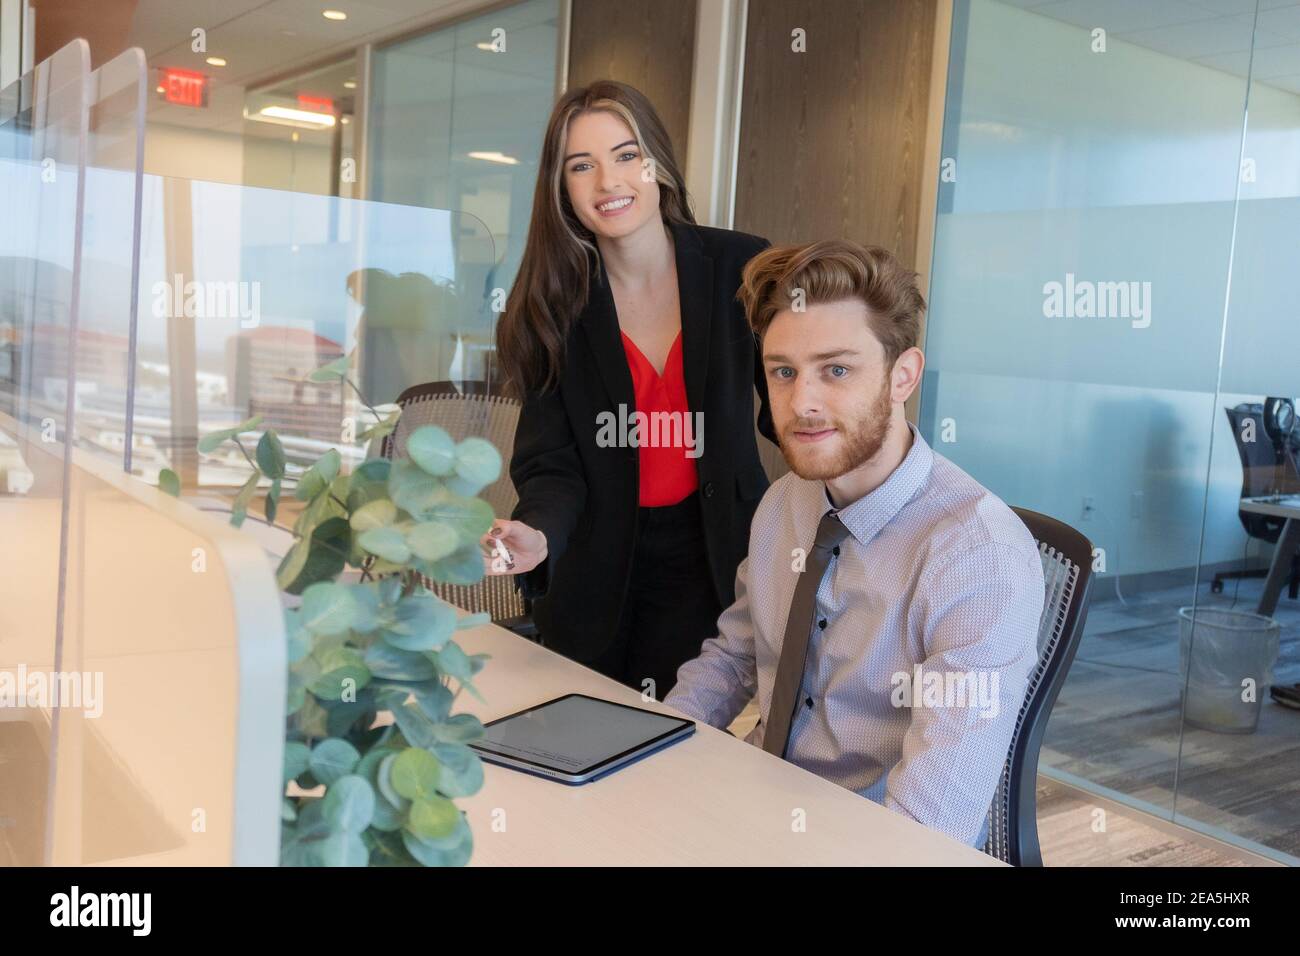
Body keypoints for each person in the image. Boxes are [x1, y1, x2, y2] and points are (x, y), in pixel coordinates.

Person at [664, 239, 1045, 847]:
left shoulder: (978, 556)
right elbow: (735, 655)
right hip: (752, 799)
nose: (802, 403)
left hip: (864, 838)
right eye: (783, 372)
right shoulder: (785, 502)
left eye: (836, 370)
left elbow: (925, 834)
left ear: (903, 375)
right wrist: (653, 745)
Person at [484, 80, 776, 700]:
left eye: (625, 156)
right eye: (581, 166)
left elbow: (792, 406)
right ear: (561, 189)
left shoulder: (741, 269)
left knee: (686, 747)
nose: (608, 183)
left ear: (657, 164)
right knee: (586, 739)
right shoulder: (550, 306)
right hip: (597, 566)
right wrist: (536, 533)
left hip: (717, 555)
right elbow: (551, 464)